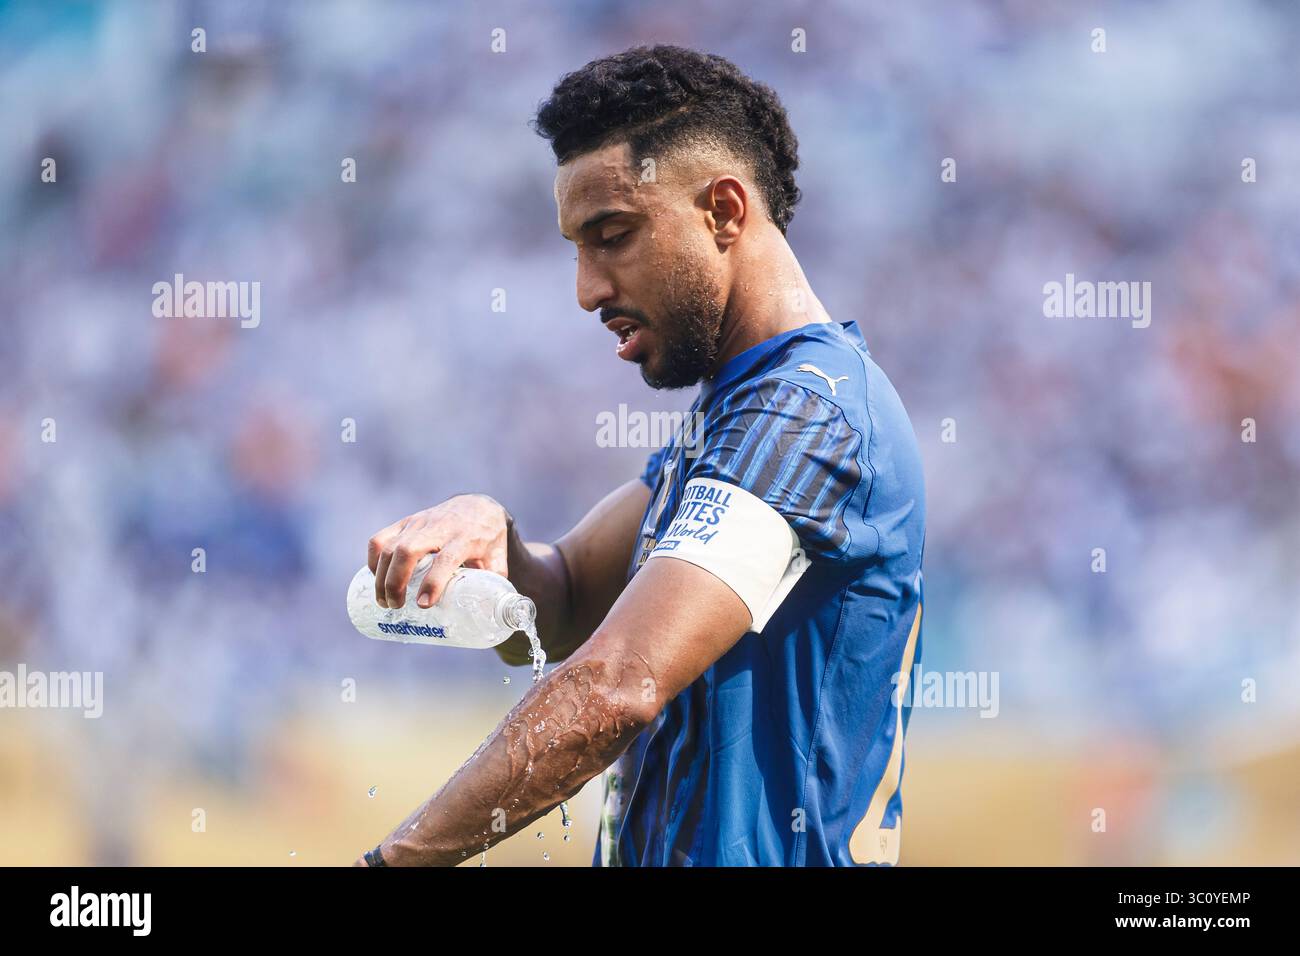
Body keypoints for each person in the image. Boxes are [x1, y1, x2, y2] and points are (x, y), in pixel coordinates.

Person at [355, 45, 925, 867]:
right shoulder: (734, 420)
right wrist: (495, 542)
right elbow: (565, 606)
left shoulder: (805, 416)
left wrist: (394, 862)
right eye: (577, 248)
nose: (586, 288)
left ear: (725, 211)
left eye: (611, 235)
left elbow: (616, 684)